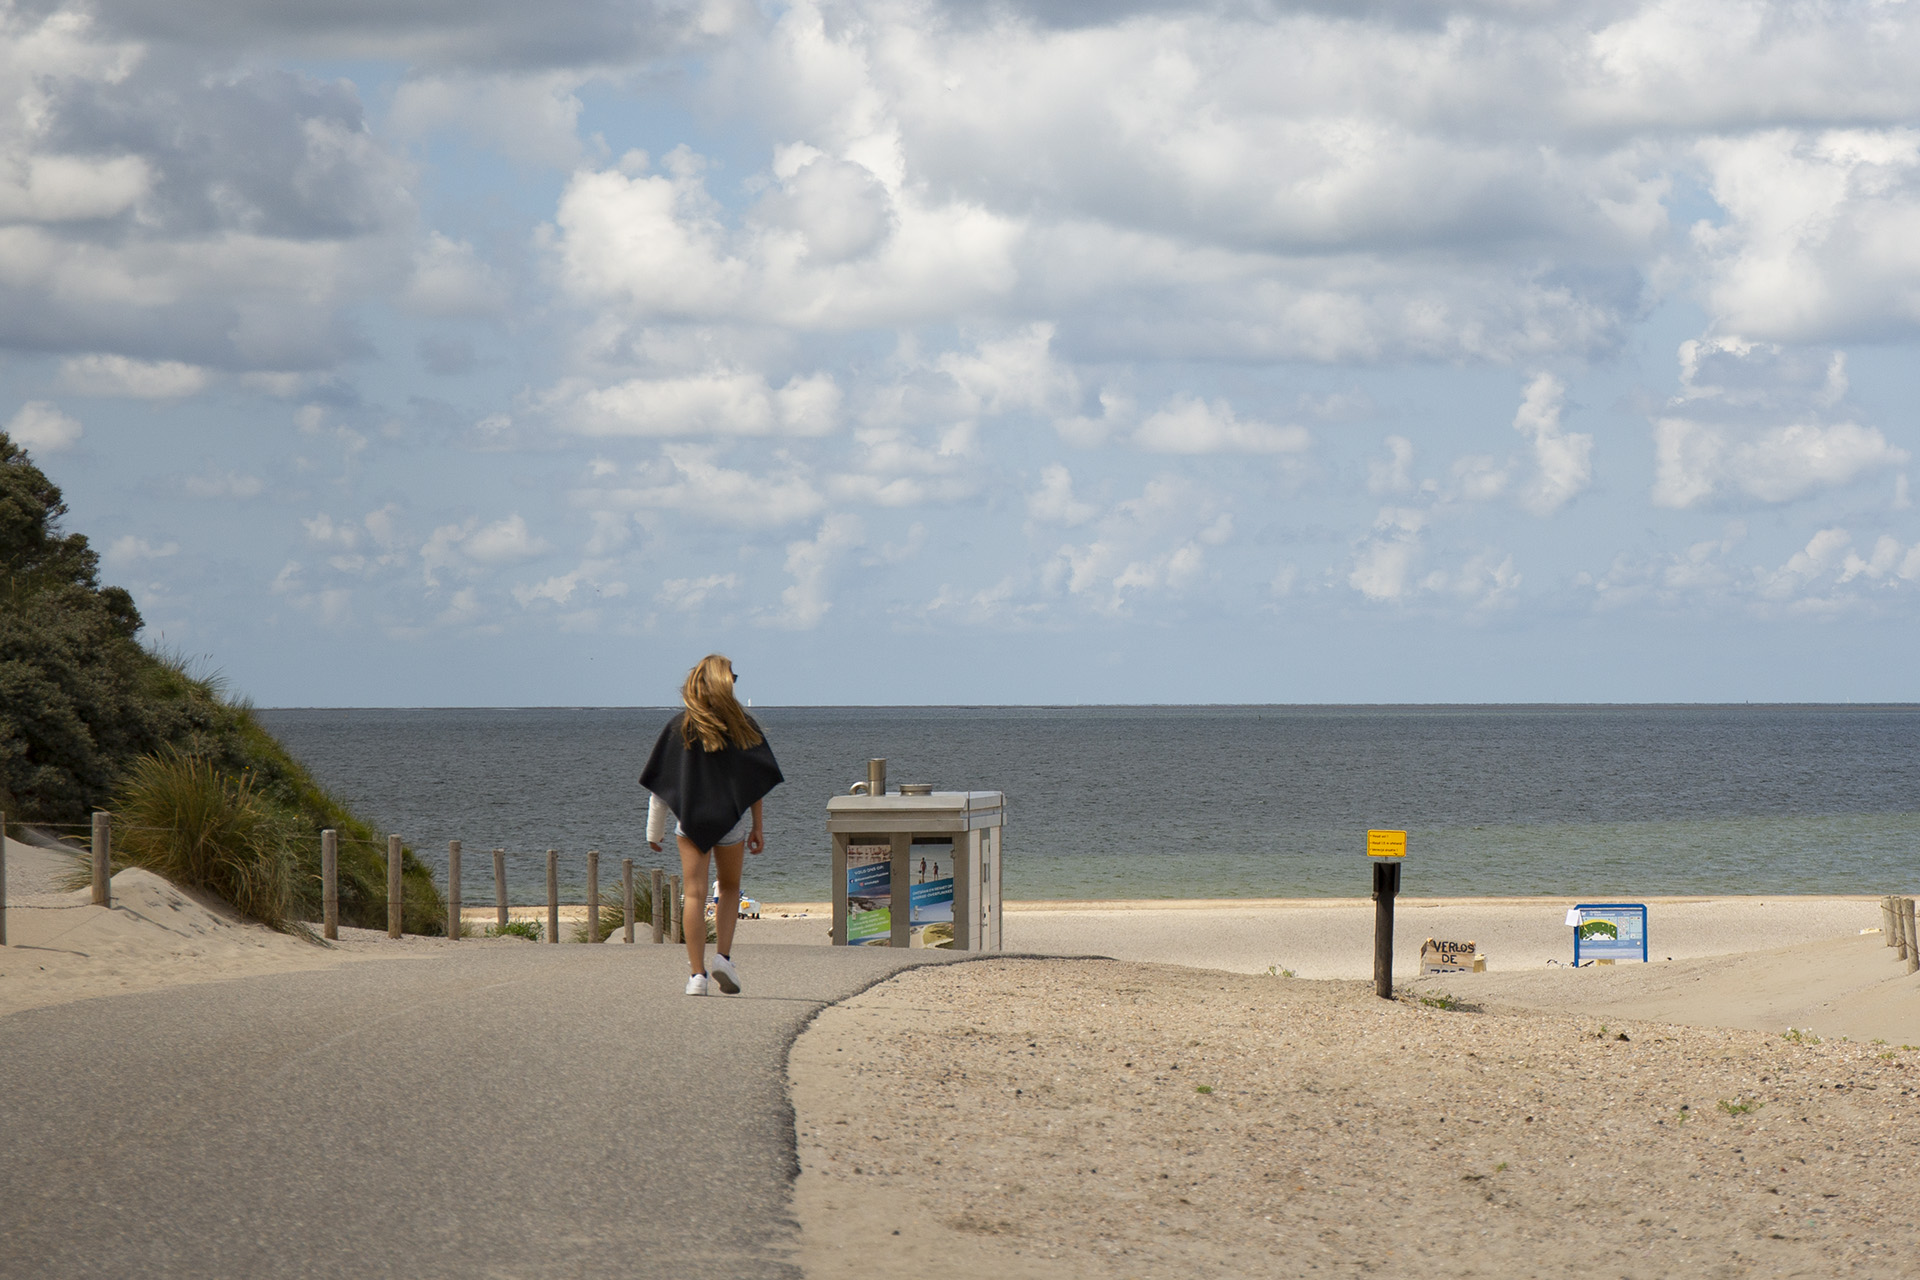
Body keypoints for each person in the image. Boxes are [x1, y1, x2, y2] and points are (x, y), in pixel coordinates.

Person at [640, 654, 784, 995]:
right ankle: (723, 957)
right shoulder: (741, 725)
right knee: (730, 888)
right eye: (733, 674)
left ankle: (696, 976)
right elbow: (755, 783)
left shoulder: (680, 726)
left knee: (694, 893)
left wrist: (654, 831)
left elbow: (663, 786)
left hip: (689, 823)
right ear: (724, 681)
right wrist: (758, 827)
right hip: (730, 823)